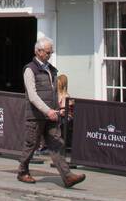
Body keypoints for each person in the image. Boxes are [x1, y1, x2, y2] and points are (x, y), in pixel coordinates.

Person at [17, 37, 85, 188]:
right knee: (31, 144)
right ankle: (22, 171)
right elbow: (32, 95)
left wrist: (57, 109)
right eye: (48, 52)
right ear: (38, 51)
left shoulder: (51, 70)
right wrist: (47, 111)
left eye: (51, 52)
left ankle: (67, 177)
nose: (50, 54)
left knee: (57, 144)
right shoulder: (30, 69)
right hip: (36, 115)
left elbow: (55, 92)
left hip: (52, 114)